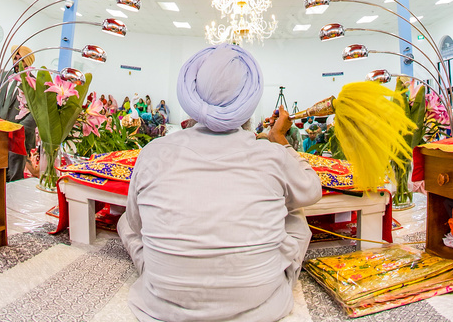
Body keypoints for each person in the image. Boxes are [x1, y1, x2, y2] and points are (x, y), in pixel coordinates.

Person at [118, 43, 322, 322]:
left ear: (192, 95)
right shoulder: (271, 155)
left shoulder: (153, 151)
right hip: (262, 301)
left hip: (164, 299)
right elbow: (311, 190)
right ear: (248, 101)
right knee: (295, 212)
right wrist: (280, 139)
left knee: (125, 223)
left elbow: (137, 223)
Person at [0, 45, 37, 182]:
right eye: (15, 58)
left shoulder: (34, 83)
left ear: (28, 62)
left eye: (21, 59)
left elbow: (36, 113)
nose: (17, 62)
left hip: (19, 137)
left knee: (14, 176)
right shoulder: (3, 77)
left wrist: (19, 130)